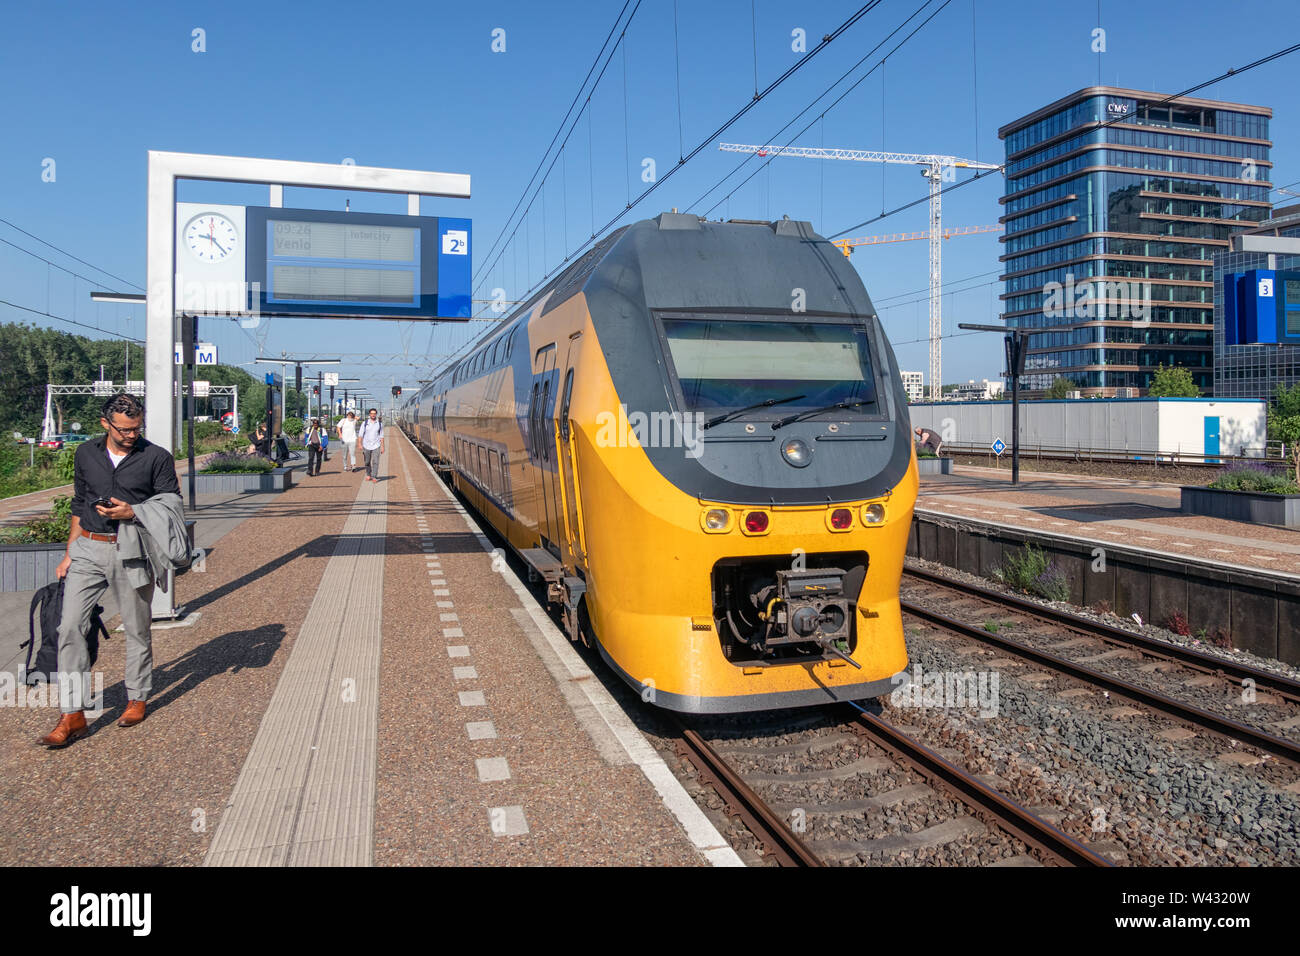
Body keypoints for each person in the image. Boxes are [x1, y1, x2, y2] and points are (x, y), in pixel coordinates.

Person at [39, 392, 186, 748]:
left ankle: (137, 697)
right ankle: (72, 713)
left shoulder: (156, 457)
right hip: (87, 547)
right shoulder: (86, 453)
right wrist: (69, 552)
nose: (131, 435)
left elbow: (171, 503)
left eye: (136, 428)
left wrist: (132, 512)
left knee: (136, 628)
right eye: (123, 429)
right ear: (105, 424)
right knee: (70, 625)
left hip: (132, 549)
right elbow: (78, 502)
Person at [358, 407, 384, 482]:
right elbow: (360, 434)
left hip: (376, 445)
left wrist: (382, 447)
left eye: (374, 413)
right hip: (366, 445)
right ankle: (368, 474)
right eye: (371, 413)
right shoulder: (365, 423)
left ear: (376, 414)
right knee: (367, 461)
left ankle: (374, 476)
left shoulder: (379, 424)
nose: (373, 415)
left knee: (376, 461)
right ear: (369, 414)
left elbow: (381, 436)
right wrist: (359, 444)